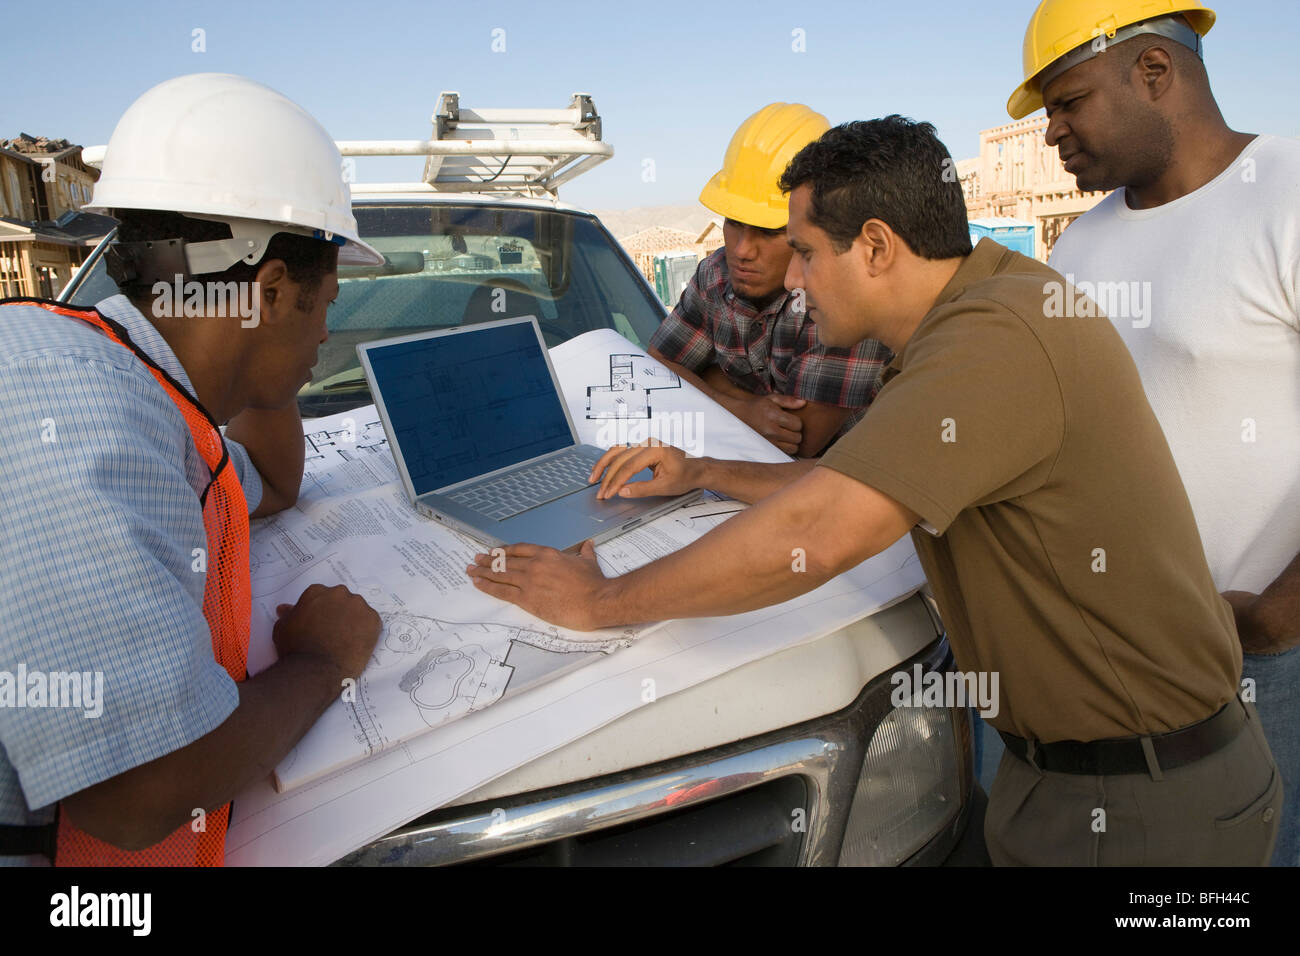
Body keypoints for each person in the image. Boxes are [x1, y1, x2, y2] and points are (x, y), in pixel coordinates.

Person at [467, 116, 1281, 866]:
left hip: (1142, 805)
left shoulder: (991, 341)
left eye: (808, 252)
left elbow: (823, 531)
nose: (794, 280)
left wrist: (602, 601)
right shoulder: (976, 310)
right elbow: (859, 478)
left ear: (879, 247)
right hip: (1081, 775)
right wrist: (706, 472)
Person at [0, 73, 383, 865]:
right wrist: (324, 660)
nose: (323, 341)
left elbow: (271, 486)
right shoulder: (82, 414)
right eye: (327, 306)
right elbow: (139, 795)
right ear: (274, 290)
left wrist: (244, 350)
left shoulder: (145, 393)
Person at [1008, 0, 1300, 865]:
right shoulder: (1081, 250)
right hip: (1123, 666)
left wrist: (1278, 618)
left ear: (1154, 72)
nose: (1051, 133)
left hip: (1270, 664)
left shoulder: (1286, 198)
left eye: (1068, 102)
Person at [648, 103, 891, 457]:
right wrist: (744, 410)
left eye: (767, 230)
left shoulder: (844, 298)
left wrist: (710, 377)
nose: (743, 250)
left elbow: (798, 441)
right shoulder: (714, 275)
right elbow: (658, 367)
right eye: (733, 222)